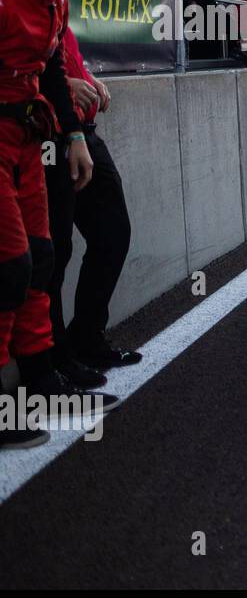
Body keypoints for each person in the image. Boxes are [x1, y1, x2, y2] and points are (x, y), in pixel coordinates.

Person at [0, 0, 116, 449]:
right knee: (11, 267)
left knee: (44, 258)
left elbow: (49, 68)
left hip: (30, 138)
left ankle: (42, 380)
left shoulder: (57, 0)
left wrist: (72, 137)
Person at [43, 24, 140, 391]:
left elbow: (61, 57)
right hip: (47, 136)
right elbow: (18, 70)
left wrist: (87, 78)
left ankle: (86, 336)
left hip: (82, 131)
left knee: (113, 235)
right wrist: (67, 86)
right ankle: (55, 360)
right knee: (53, 252)